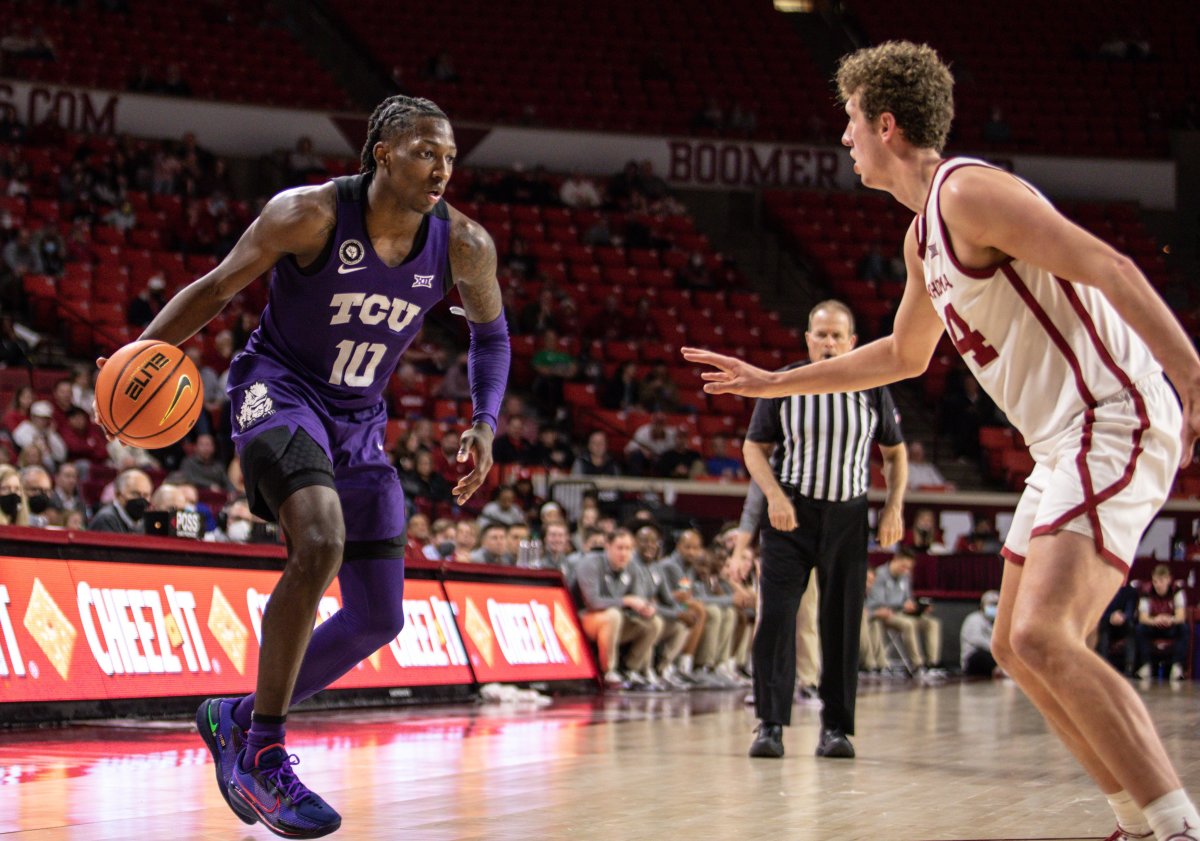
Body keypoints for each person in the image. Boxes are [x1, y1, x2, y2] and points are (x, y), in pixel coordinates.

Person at [684, 41, 1200, 841]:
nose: (844, 138)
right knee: (1013, 644)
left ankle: (1176, 826)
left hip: (1113, 412)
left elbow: (1110, 264)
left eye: (850, 121)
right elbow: (901, 355)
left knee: (1043, 632)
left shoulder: (969, 191)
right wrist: (773, 379)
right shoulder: (922, 236)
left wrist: (1191, 372)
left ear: (885, 124)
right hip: (1063, 440)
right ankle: (1135, 821)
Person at [114, 96, 508, 838]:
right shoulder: (309, 214)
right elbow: (215, 287)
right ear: (383, 150)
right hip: (277, 389)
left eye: (451, 155)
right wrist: (139, 358)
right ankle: (262, 750)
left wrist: (486, 421)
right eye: (427, 151)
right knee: (319, 542)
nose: (442, 168)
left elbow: (493, 334)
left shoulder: (464, 246)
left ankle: (234, 717)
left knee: (379, 616)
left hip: (360, 420)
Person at [736, 300, 907, 761]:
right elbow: (754, 448)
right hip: (791, 515)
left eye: (837, 336)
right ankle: (769, 724)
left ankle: (837, 729)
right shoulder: (785, 384)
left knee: (842, 624)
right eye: (821, 335)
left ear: (853, 342)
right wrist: (774, 497)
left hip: (848, 517)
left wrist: (893, 508)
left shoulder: (873, 387)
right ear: (807, 339)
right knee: (776, 620)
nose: (829, 344)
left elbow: (895, 453)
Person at [1134, 565, 1187, 682]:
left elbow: (1181, 616)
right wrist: (1155, 620)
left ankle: (1177, 666)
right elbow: (1143, 617)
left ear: (1169, 579)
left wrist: (1170, 619)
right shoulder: (1146, 590)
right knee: (1139, 628)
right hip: (1153, 626)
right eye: (1155, 581)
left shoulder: (1177, 590)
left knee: (1183, 628)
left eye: (1161, 581)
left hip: (1170, 627)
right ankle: (1145, 665)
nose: (1158, 585)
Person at [87, 468, 152, 533]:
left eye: (146, 495)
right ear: (118, 495)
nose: (141, 499)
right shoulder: (106, 519)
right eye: (135, 494)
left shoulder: (143, 521)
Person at [960, 590, 1001, 677]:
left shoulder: (995, 623)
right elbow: (977, 640)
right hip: (973, 658)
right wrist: (996, 649)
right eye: (992, 604)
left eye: (997, 604)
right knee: (981, 656)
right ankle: (999, 671)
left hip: (991, 654)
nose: (995, 607)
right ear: (983, 605)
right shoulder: (974, 618)